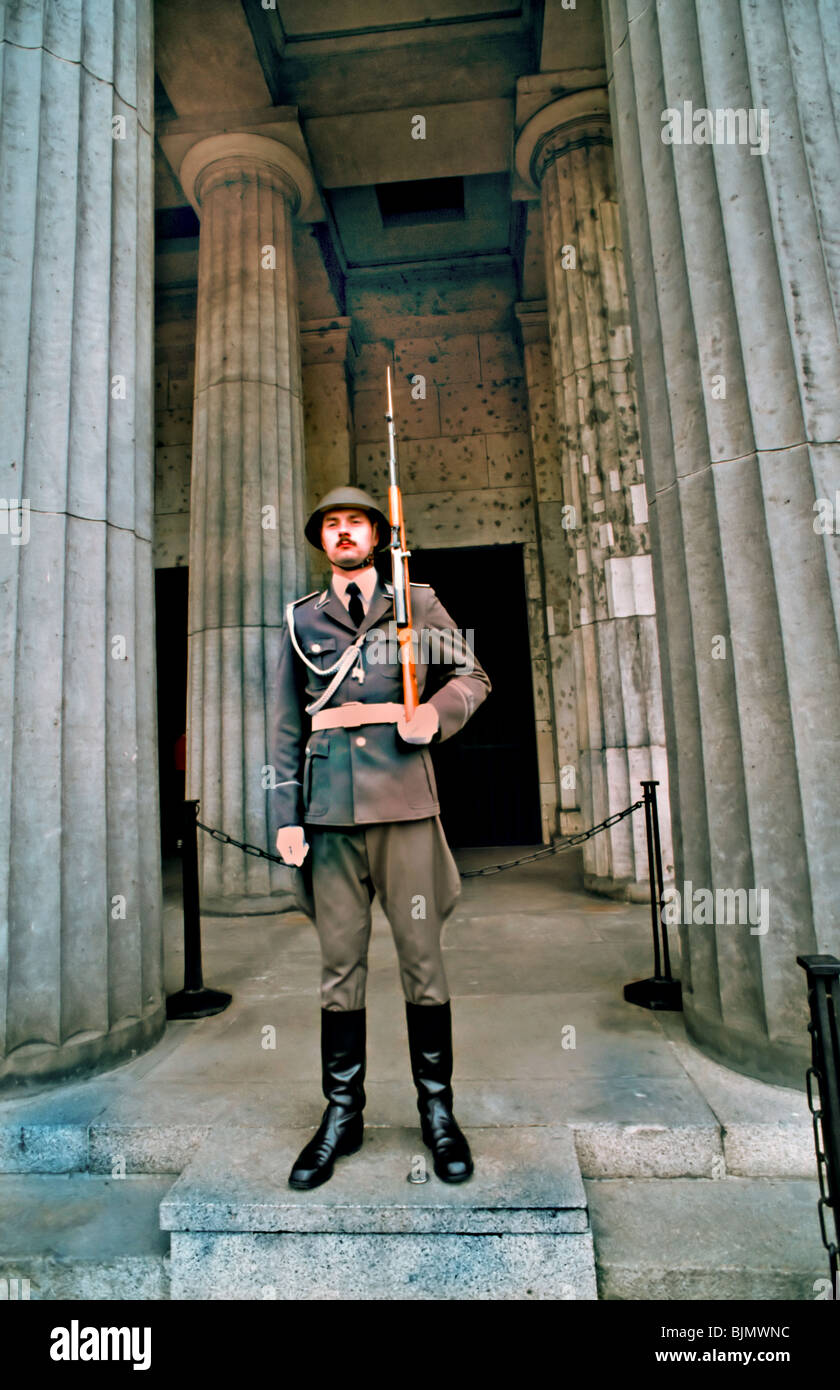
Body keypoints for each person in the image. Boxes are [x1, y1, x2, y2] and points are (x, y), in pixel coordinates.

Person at [270, 485, 491, 1190]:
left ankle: (437, 1114)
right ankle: (343, 1114)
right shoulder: (302, 620)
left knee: (422, 962)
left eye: (355, 523)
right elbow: (283, 722)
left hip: (405, 803)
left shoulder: (415, 605)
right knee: (340, 969)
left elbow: (474, 675)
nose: (343, 534)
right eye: (331, 526)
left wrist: (436, 713)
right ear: (322, 542)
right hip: (330, 813)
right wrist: (283, 813)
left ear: (375, 533)